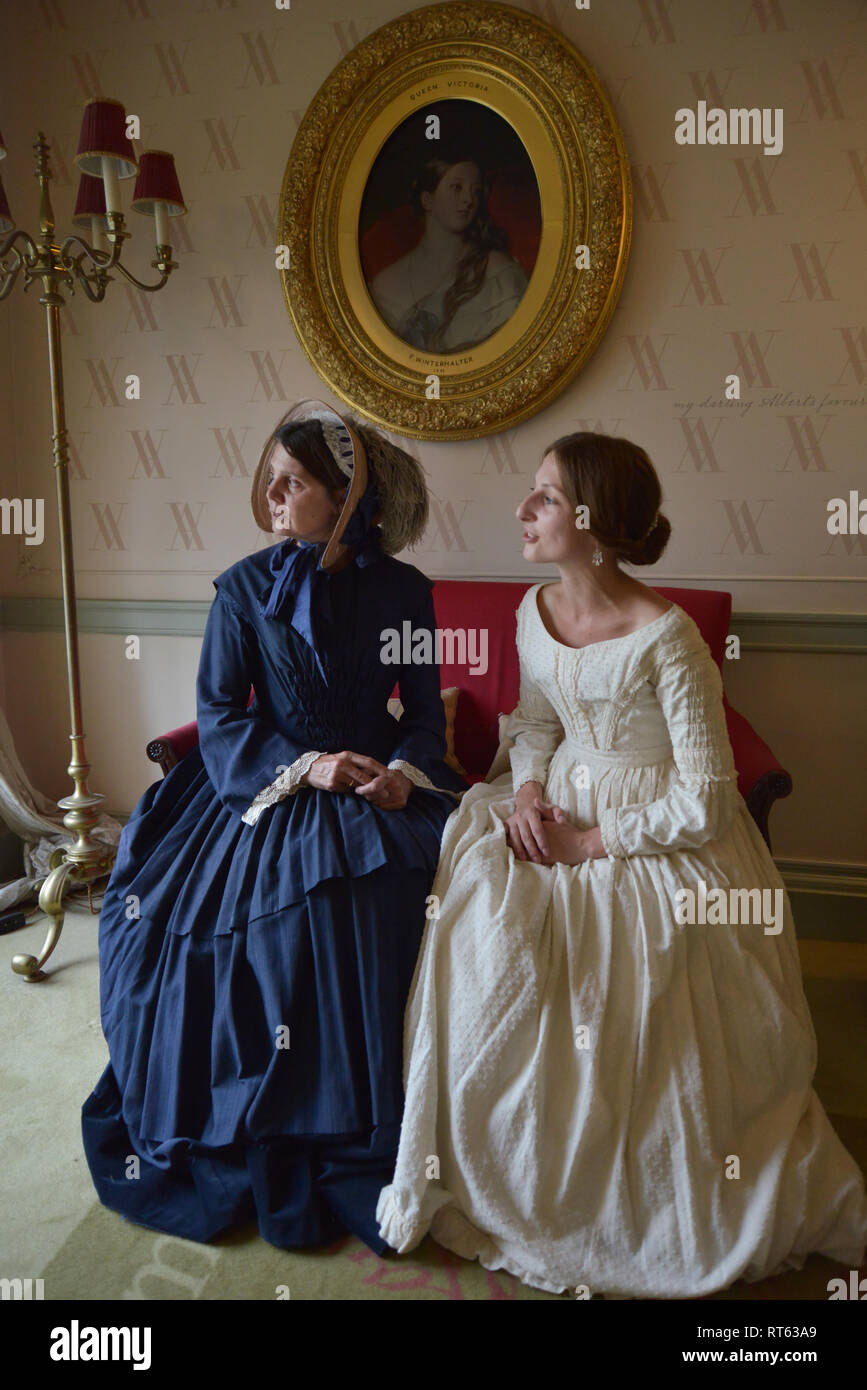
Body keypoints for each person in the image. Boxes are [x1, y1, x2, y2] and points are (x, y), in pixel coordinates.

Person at [377, 431, 867, 1297]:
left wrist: (587, 845)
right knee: (481, 915)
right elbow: (532, 725)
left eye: (546, 498)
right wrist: (527, 797)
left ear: (592, 522)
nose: (523, 511)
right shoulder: (534, 611)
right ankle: (500, 1159)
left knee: (633, 979)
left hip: (656, 836)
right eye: (530, 494)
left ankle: (635, 1192)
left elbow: (708, 799)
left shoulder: (666, 638)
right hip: (554, 807)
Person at [81, 398, 467, 1255]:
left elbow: (420, 719)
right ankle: (284, 1115)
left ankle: (387, 1119)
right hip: (271, 789)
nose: (274, 499)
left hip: (376, 791)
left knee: (396, 894)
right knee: (238, 927)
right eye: (269, 483)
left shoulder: (401, 592)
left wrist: (404, 774)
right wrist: (306, 766)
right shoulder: (244, 589)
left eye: (293, 484)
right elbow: (218, 714)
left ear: (343, 495)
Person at [369, 149, 528, 353]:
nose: (468, 200)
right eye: (457, 187)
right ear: (427, 200)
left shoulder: (496, 270)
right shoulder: (386, 284)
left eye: (475, 191)